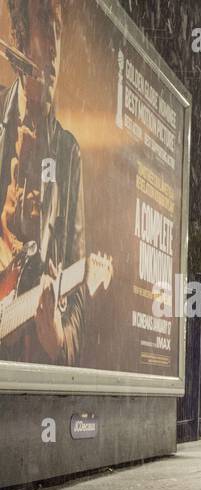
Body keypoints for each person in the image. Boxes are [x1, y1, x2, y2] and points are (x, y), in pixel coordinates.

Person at [0, 0, 85, 366]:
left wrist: (59, 338)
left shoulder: (67, 153)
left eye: (59, 29)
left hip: (28, 362)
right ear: (18, 37)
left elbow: (78, 278)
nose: (53, 45)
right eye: (43, 23)